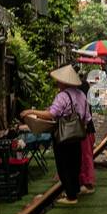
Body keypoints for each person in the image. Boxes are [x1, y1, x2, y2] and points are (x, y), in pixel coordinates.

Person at [23, 65, 91, 206]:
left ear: (64, 82)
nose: (57, 83)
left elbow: (51, 114)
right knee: (75, 163)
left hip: (63, 136)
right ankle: (75, 189)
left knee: (64, 165)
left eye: (59, 81)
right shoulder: (81, 95)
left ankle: (71, 197)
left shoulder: (62, 96)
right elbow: (87, 117)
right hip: (77, 135)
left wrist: (30, 111)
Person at [79, 72, 97, 195]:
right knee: (86, 156)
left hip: (83, 129)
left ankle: (88, 182)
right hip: (88, 128)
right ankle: (86, 181)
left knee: (85, 156)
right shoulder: (85, 90)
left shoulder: (80, 92)